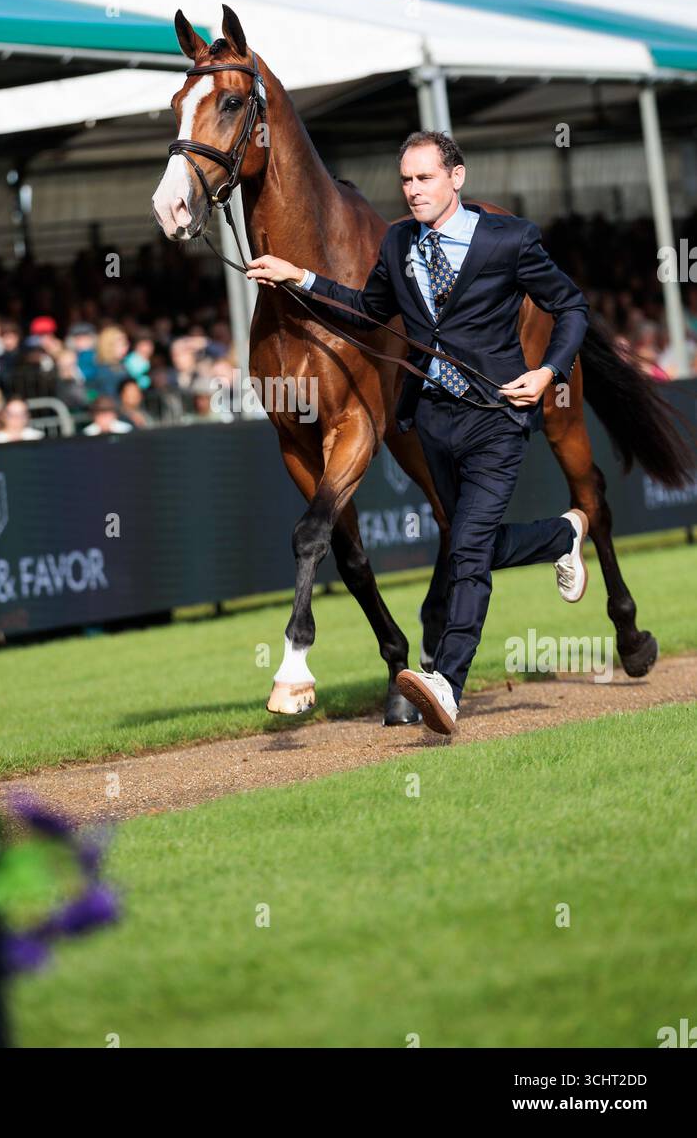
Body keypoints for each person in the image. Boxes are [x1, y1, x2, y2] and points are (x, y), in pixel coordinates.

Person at [245, 130, 590, 737]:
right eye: (406, 180)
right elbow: (369, 308)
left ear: (456, 178)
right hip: (433, 419)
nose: (413, 191)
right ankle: (562, 534)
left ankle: (446, 684)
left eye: (425, 178)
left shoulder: (510, 239)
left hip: (498, 418)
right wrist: (298, 276)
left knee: (470, 554)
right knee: (468, 547)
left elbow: (572, 307)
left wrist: (546, 372)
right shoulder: (400, 241)